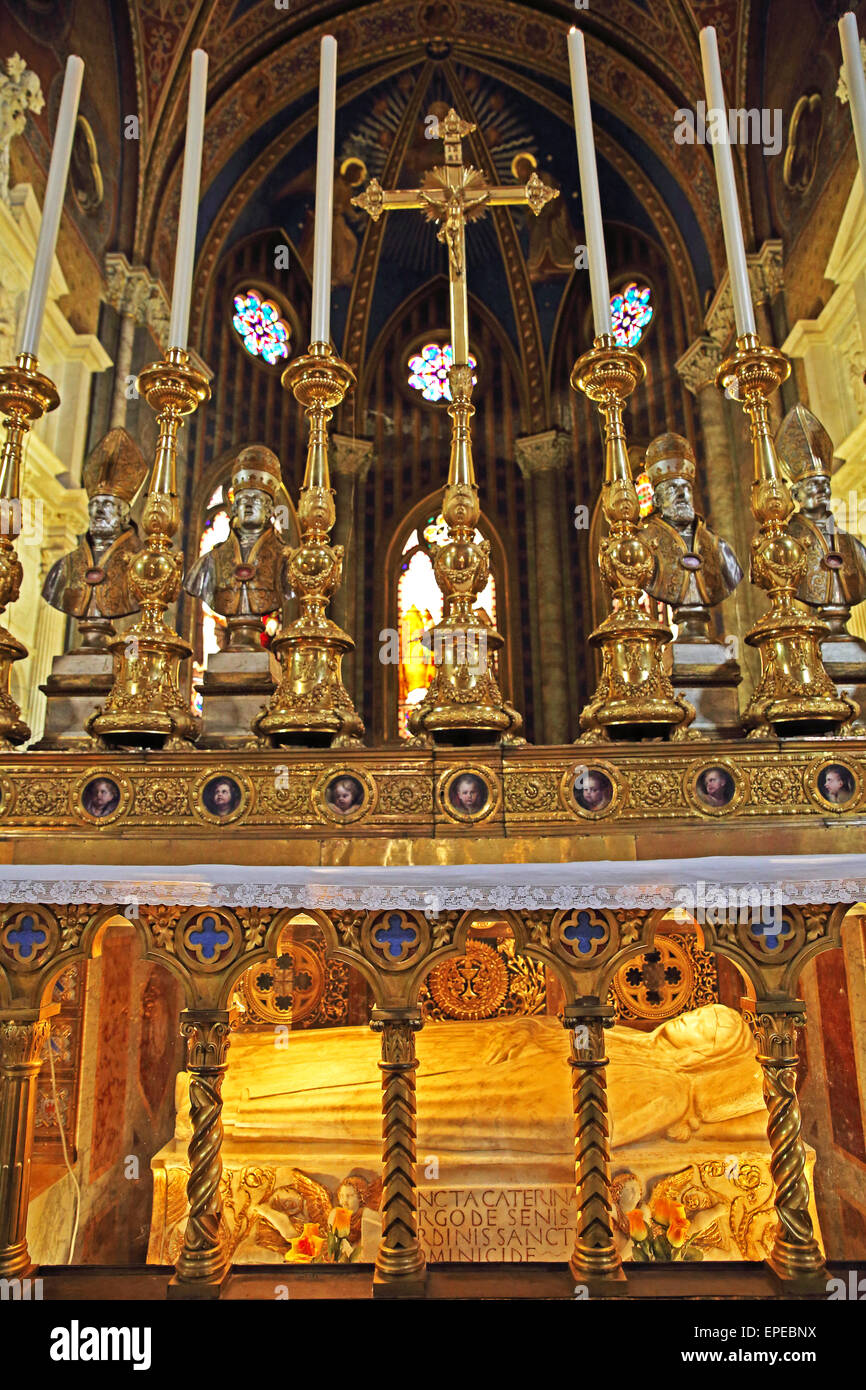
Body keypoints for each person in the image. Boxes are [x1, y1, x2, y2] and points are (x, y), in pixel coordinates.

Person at [42, 429, 149, 645]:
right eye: (95, 505)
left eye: (108, 505)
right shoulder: (64, 567)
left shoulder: (141, 568)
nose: (99, 512)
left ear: (124, 515)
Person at [184, 445, 293, 649]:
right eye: (244, 499)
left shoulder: (288, 560)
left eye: (257, 499)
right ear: (234, 507)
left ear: (270, 509)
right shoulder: (210, 561)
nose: (249, 505)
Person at [638, 433, 743, 631]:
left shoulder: (720, 549)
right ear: (657, 501)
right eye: (671, 488)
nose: (681, 494)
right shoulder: (643, 548)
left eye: (686, 487)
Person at [776, 404, 866, 617]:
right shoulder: (786, 546)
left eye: (825, 482)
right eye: (813, 484)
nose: (822, 489)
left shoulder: (853, 545)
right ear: (796, 495)